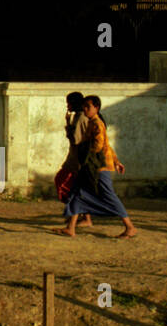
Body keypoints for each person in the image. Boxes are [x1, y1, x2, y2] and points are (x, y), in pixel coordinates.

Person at [55, 95, 137, 239]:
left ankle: (130, 227)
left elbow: (99, 146)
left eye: (88, 107)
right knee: (78, 193)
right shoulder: (92, 122)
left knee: (108, 196)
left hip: (99, 167)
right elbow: (106, 145)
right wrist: (116, 161)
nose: (85, 109)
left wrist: (88, 158)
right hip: (92, 165)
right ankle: (71, 228)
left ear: (96, 108)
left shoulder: (97, 124)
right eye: (84, 106)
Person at [53, 91, 92, 228]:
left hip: (77, 159)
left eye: (69, 103)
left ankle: (76, 215)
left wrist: (68, 127)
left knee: (64, 182)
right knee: (75, 187)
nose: (67, 106)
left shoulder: (81, 118)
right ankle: (82, 216)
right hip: (74, 157)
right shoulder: (78, 116)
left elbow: (76, 140)